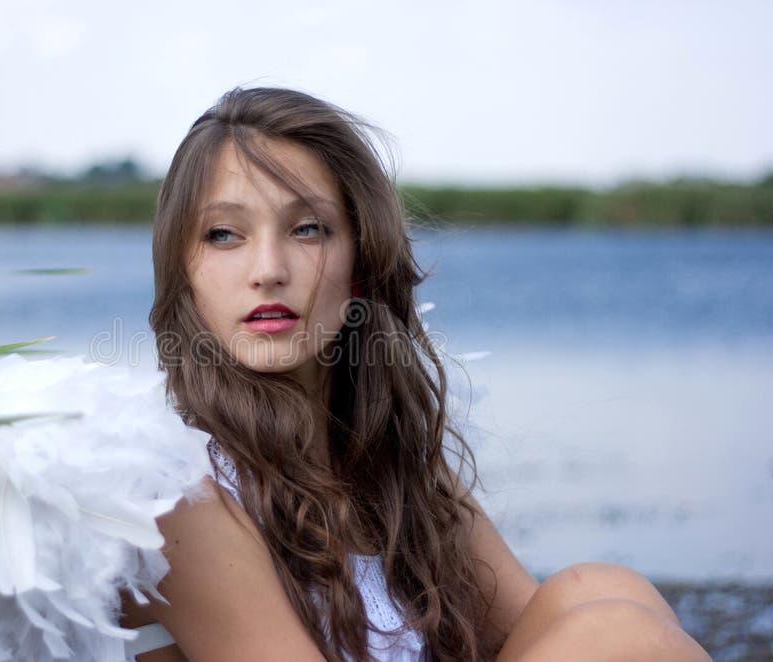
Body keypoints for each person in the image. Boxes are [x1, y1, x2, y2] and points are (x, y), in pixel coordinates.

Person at [124, 87, 709, 661]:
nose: (268, 270)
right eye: (223, 234)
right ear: (185, 270)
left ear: (361, 261)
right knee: (618, 635)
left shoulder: (383, 455)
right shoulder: (179, 492)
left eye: (308, 229)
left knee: (601, 591)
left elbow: (535, 634)